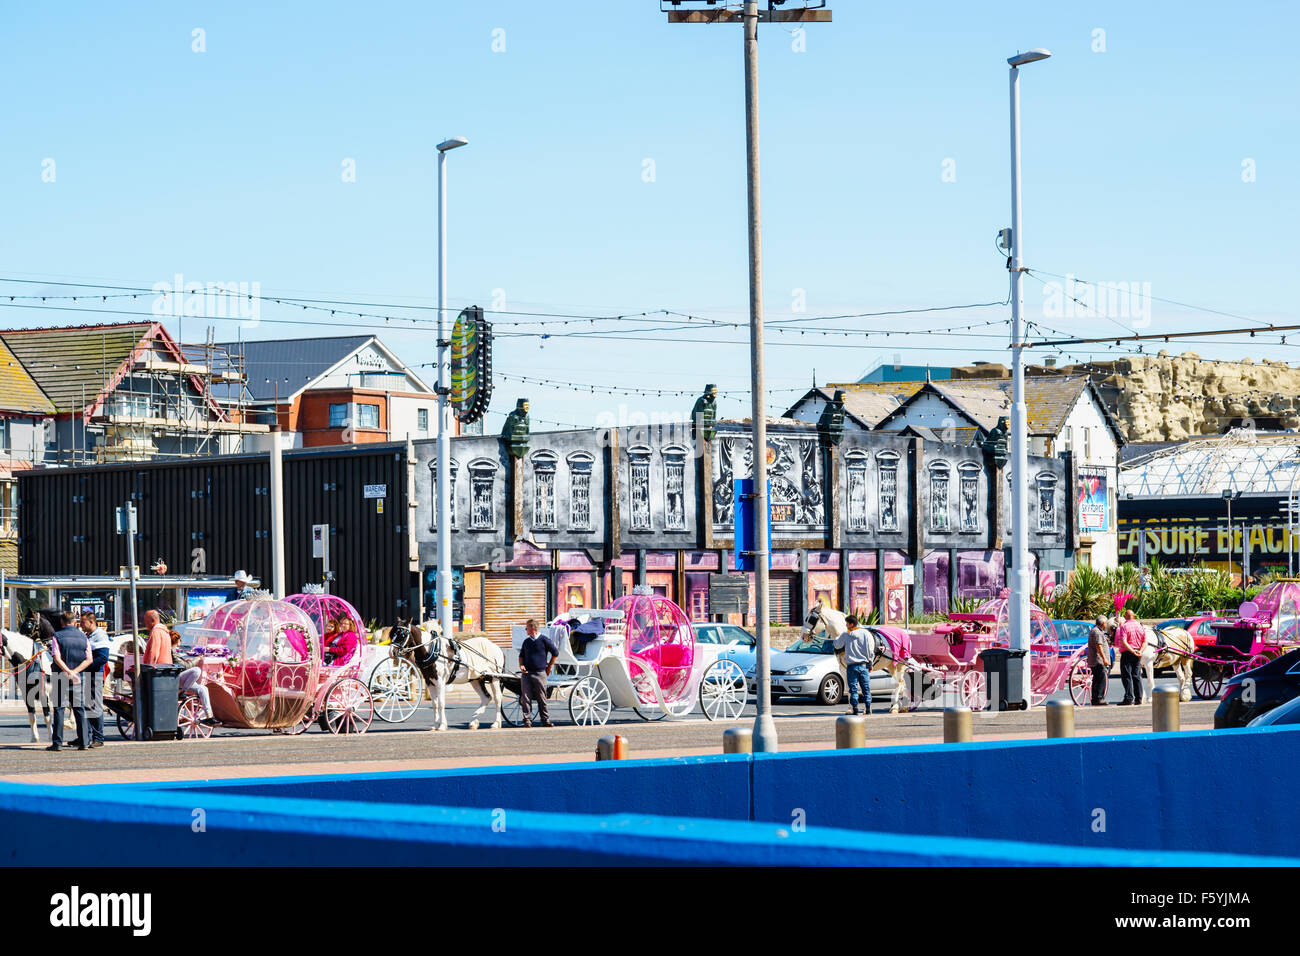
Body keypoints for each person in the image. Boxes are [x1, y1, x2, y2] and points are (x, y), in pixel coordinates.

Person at [48, 611, 89, 751]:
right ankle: (84, 742)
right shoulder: (84, 637)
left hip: (61, 677)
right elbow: (89, 659)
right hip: (79, 678)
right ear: (75, 622)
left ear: (62, 622)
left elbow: (56, 657)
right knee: (79, 709)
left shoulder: (57, 636)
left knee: (59, 709)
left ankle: (57, 743)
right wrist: (75, 672)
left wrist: (67, 671)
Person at [170, 631, 218, 727]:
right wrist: (198, 658)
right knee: (196, 670)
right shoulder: (172, 651)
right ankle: (183, 692)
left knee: (203, 689)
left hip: (181, 679)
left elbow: (182, 663)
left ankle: (209, 716)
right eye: (180, 639)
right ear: (177, 640)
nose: (180, 641)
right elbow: (186, 666)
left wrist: (186, 660)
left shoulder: (173, 651)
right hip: (176, 679)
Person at [517, 618, 558, 728]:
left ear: (533, 628)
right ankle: (527, 720)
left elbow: (555, 653)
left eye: (527, 627)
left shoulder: (544, 640)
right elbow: (521, 656)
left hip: (540, 673)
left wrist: (549, 667)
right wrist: (521, 665)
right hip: (527, 674)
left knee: (541, 697)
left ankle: (545, 720)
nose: (526, 630)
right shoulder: (526, 641)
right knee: (525, 698)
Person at [80, 612, 113, 748]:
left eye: (83, 622)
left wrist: (86, 666)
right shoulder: (89, 635)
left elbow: (103, 657)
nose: (81, 625)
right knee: (87, 705)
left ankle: (98, 738)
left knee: (95, 706)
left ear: (91, 622)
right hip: (89, 674)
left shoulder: (100, 635)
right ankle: (85, 737)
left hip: (95, 675)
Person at [833, 614, 876, 716]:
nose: (846, 625)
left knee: (853, 689)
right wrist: (870, 663)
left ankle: (855, 708)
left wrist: (836, 638)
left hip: (851, 666)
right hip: (863, 665)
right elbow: (869, 650)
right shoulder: (865, 633)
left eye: (847, 623)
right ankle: (868, 708)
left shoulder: (845, 635)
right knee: (866, 688)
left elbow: (837, 645)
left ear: (851, 624)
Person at [1114, 609, 1147, 705]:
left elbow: (1124, 642)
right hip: (1138, 652)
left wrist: (1132, 651)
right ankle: (1139, 698)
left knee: (1126, 676)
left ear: (1127, 616)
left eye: (1124, 615)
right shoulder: (1140, 626)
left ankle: (1129, 698)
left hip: (1128, 653)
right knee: (1136, 675)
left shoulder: (1124, 626)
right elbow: (1145, 641)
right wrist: (1140, 651)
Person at [1088, 615, 1112, 706]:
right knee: (1101, 679)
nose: (1106, 625)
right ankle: (1099, 698)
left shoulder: (1096, 631)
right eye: (1106, 623)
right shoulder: (1097, 632)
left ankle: (1095, 699)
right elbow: (1099, 647)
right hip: (1098, 660)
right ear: (1103, 623)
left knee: (1097, 680)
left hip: (1096, 660)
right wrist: (1104, 659)